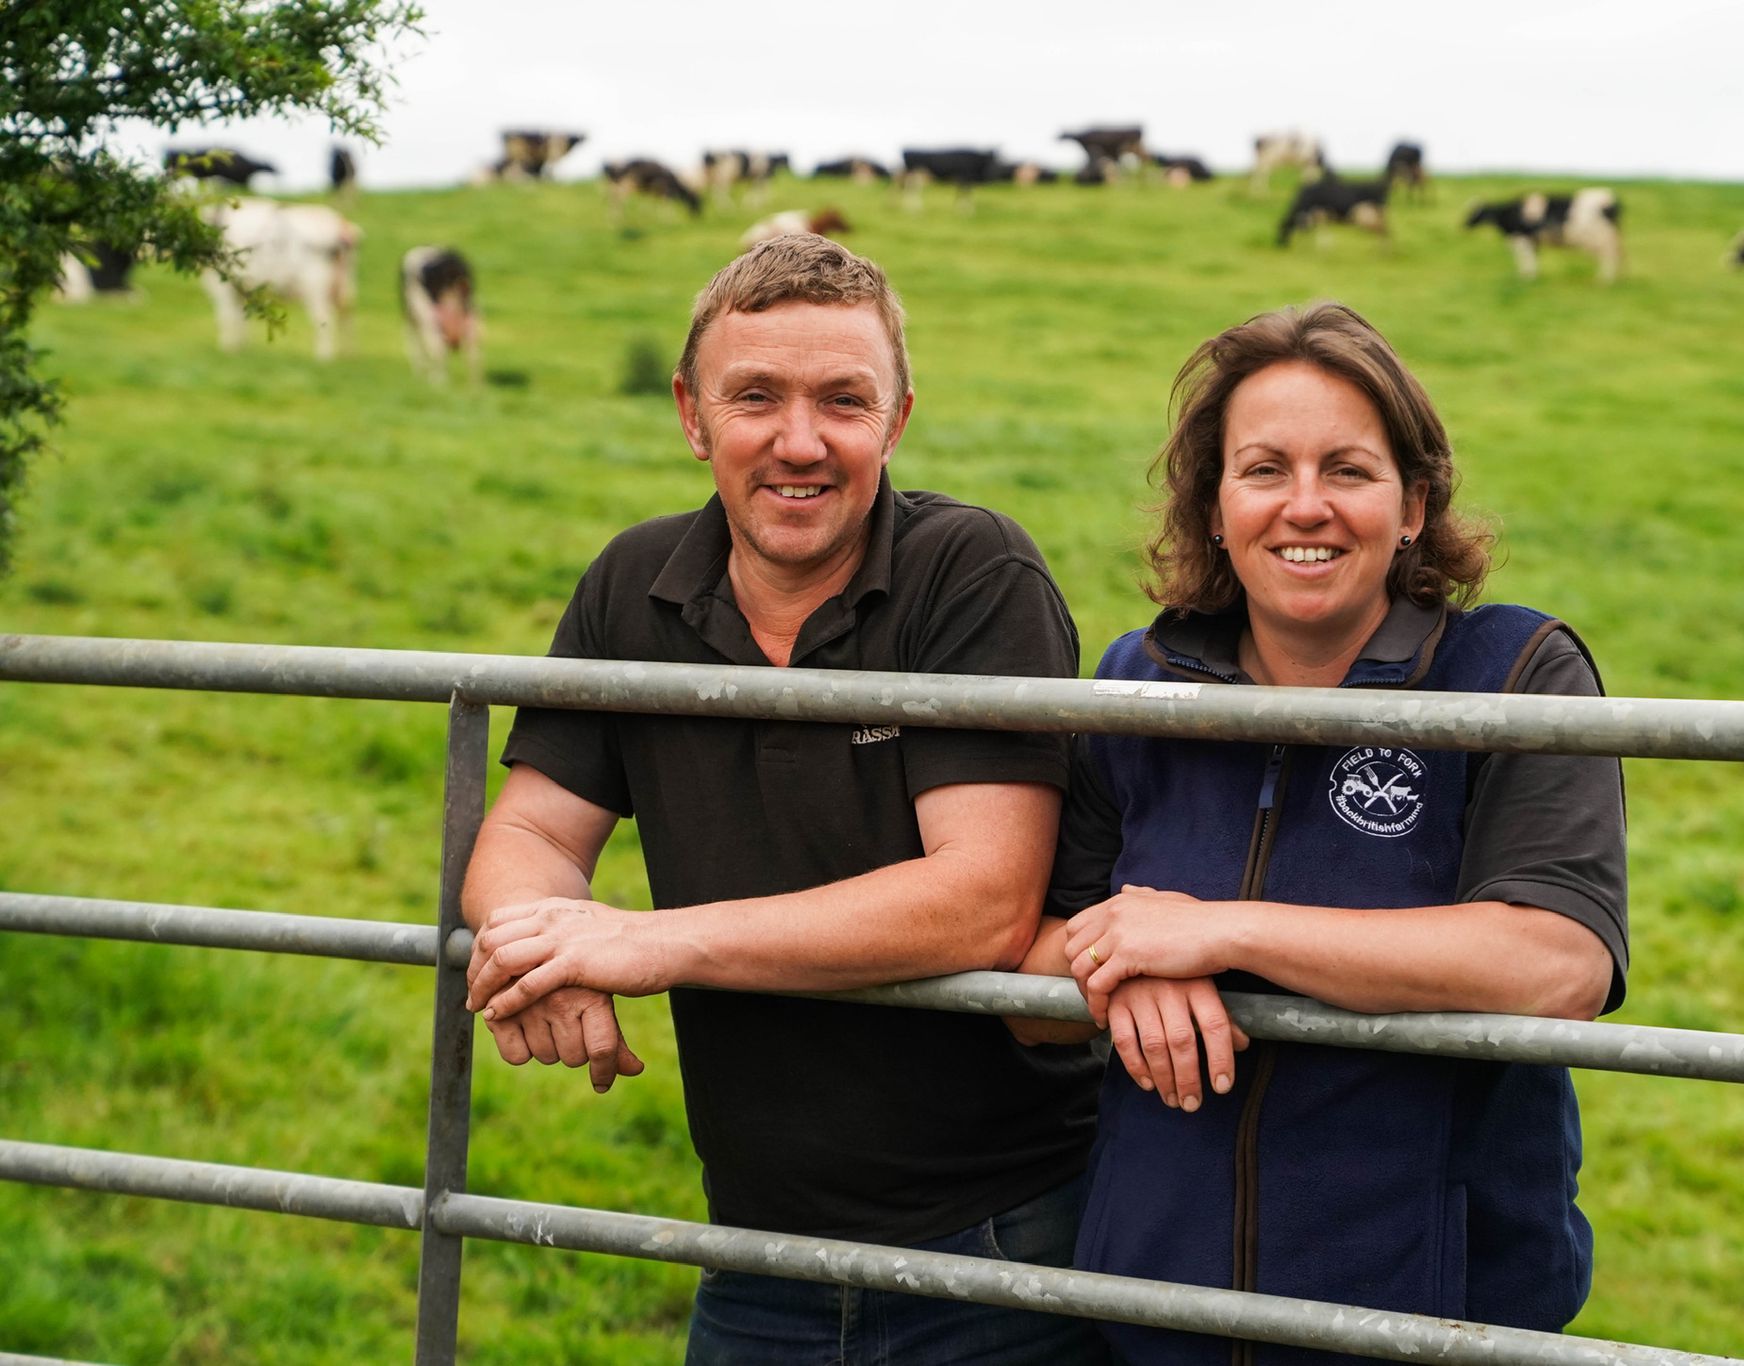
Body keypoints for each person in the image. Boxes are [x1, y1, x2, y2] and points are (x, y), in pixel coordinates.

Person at [460, 234, 1106, 1364]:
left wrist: (647, 942)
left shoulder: (972, 571)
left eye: (842, 401)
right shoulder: (635, 583)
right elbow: (529, 825)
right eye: (754, 395)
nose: (798, 441)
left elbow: (981, 903)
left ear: (897, 419)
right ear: (690, 413)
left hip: (1003, 1246)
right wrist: (531, 942)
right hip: (756, 1248)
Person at [1015, 302, 1628, 1363]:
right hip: (1156, 1316)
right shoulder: (1135, 683)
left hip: (1433, 1319)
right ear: (1213, 504)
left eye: (1347, 470)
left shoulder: (1516, 673)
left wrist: (1222, 934)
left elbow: (1554, 962)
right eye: (1262, 470)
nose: (1305, 507)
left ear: (1411, 504)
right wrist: (1120, 957)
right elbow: (1031, 980)